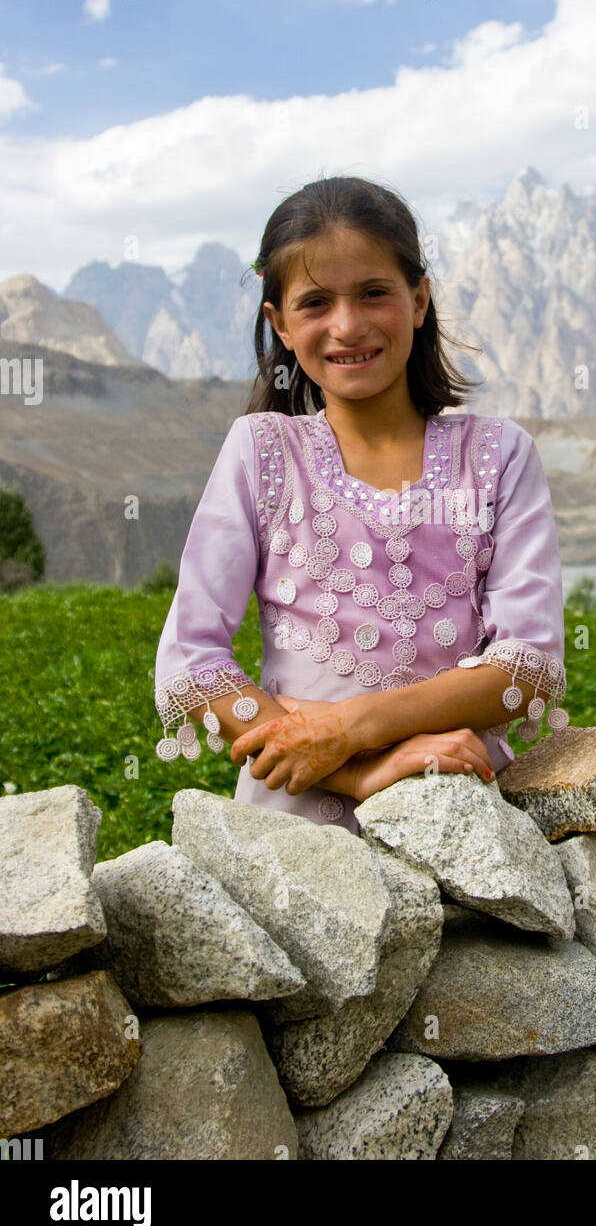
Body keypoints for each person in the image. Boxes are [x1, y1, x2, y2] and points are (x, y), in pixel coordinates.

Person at [152, 175, 569, 836]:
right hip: (293, 831)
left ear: (419, 299)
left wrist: (346, 725)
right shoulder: (262, 451)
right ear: (280, 324)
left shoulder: (497, 455)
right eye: (315, 302)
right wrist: (363, 769)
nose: (347, 326)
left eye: (374, 293)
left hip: (464, 818)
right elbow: (192, 666)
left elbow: (527, 667)